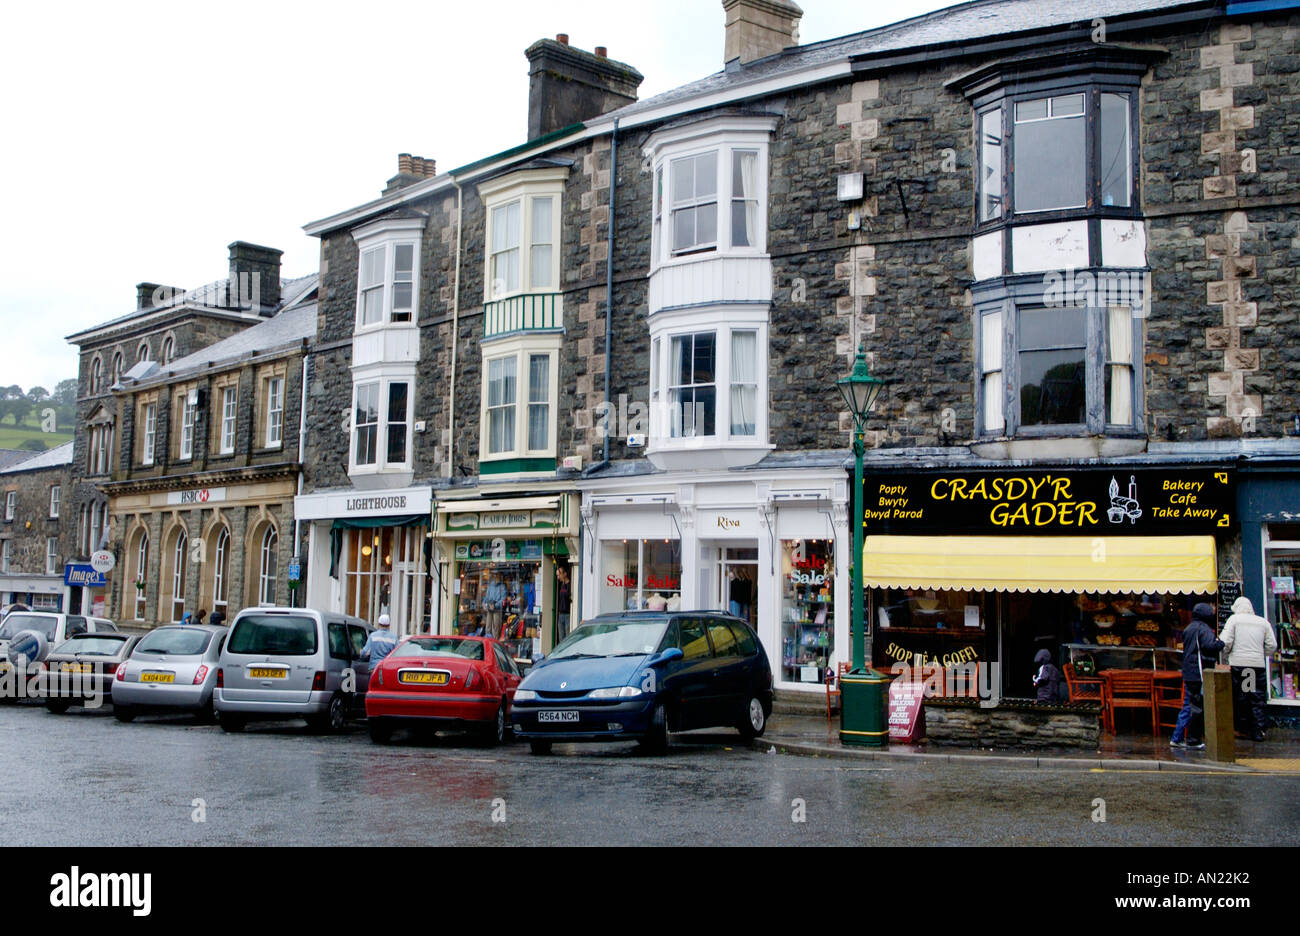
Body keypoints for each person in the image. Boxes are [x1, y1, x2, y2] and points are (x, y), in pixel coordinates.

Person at [1220, 596, 1277, 741]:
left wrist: (1228, 652)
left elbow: (1225, 642)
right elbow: (1272, 645)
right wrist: (1260, 653)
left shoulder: (1234, 620)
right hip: (1257, 665)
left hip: (1243, 667)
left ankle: (1247, 730)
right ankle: (1259, 729)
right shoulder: (1262, 622)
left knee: (1245, 697)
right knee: (1257, 697)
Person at [1171, 602, 1225, 750]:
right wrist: (1220, 644)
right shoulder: (1204, 629)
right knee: (1196, 707)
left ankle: (1177, 737)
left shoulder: (1189, 628)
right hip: (1199, 673)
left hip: (1189, 671)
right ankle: (1193, 739)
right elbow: (1209, 646)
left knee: (1188, 705)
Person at [555, 565, 572, 641]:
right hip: (561, 614)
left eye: (559, 575)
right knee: (561, 638)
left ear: (564, 574)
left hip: (568, 614)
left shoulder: (570, 585)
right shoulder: (561, 585)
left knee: (568, 637)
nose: (558, 577)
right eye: (557, 575)